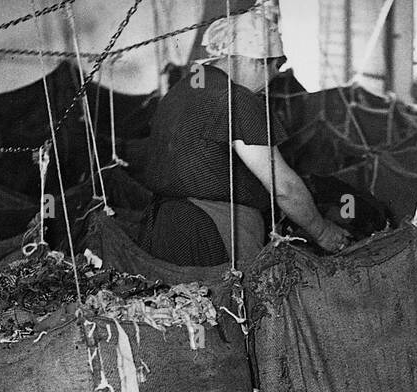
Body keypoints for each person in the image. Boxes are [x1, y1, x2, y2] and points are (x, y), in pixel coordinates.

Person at [139, 3, 350, 268]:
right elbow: (284, 187)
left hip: (159, 229)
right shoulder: (238, 100)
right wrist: (322, 231)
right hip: (211, 233)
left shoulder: (185, 87)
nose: (266, 87)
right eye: (271, 73)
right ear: (255, 62)